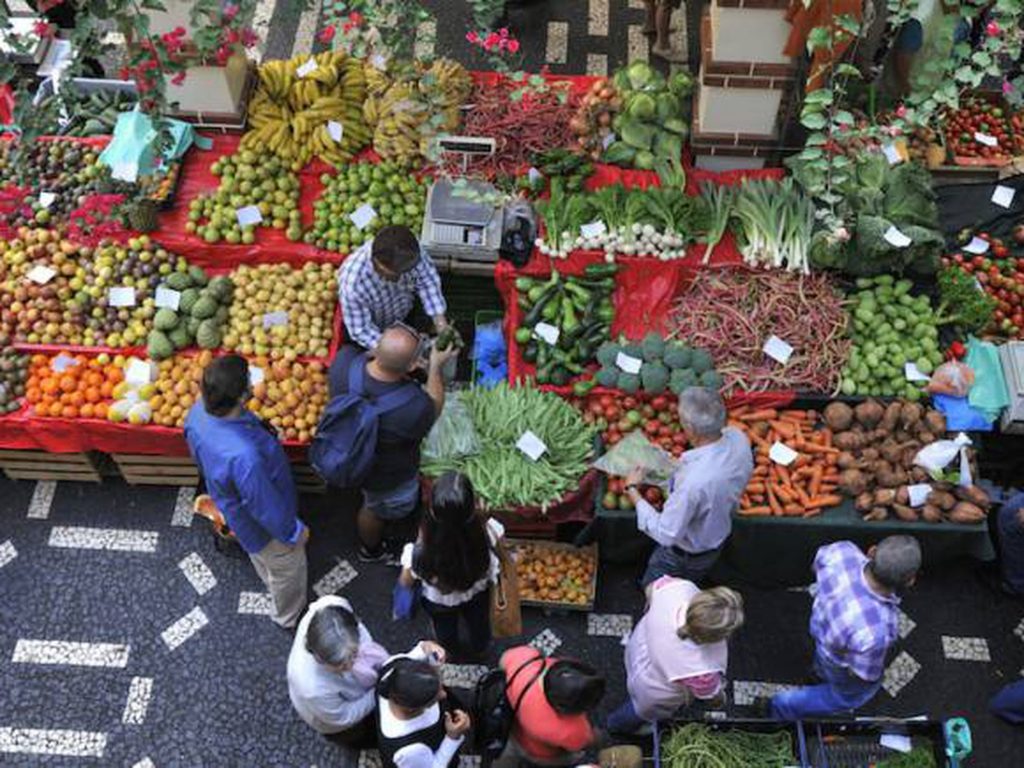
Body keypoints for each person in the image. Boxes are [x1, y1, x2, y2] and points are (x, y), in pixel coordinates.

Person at [185, 355, 308, 629]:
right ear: (241, 396)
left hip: (237, 514)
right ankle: (288, 616)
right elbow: (264, 506)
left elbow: (199, 456)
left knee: (261, 557)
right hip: (265, 524)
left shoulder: (197, 413)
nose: (254, 384)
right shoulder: (245, 457)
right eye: (249, 381)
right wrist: (294, 534)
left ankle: (269, 581)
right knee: (286, 569)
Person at [327, 326, 456, 561]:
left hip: (346, 451)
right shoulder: (412, 406)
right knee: (375, 509)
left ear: (376, 348)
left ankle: (370, 541)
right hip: (384, 474)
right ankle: (371, 550)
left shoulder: (344, 362)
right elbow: (434, 407)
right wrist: (435, 367)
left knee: (370, 500)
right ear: (412, 366)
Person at [769, 536, 922, 720]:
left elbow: (816, 565)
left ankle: (818, 675)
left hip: (820, 629)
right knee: (848, 695)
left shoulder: (842, 551)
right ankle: (784, 704)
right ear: (910, 581)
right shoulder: (878, 629)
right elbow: (863, 673)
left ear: (872, 551)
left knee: (822, 662)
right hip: (837, 657)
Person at [625, 387, 753, 587]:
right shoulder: (738, 438)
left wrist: (632, 489)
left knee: (659, 588)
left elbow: (666, 534)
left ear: (691, 429)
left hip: (684, 555)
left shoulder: (693, 484)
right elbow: (708, 467)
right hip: (714, 542)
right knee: (693, 580)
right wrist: (667, 461)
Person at [607, 578, 744, 734]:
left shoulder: (677, 588)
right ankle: (616, 727)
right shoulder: (702, 672)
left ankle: (614, 724)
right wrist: (719, 698)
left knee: (633, 678)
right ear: (715, 638)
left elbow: (651, 589)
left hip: (642, 649)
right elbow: (711, 695)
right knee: (640, 709)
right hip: (654, 689)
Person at [398, 471, 504, 660]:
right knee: (479, 623)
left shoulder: (419, 552)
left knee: (444, 628)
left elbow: (406, 581)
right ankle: (481, 649)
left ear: (432, 510)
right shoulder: (490, 532)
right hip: (478, 593)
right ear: (473, 506)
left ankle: (451, 651)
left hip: (439, 601)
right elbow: (501, 556)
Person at [287, 595, 389, 746]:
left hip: (351, 696)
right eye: (341, 665)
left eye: (354, 654)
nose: (350, 666)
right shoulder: (312, 687)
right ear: (319, 658)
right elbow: (345, 716)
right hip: (336, 723)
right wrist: (379, 690)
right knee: (363, 735)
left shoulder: (333, 604)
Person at [337, 225, 449, 351]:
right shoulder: (353, 284)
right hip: (375, 330)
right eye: (394, 274)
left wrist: (440, 323)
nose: (401, 276)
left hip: (402, 313)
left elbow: (426, 281)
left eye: (405, 271)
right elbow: (362, 331)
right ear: (377, 264)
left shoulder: (408, 249)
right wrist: (399, 353)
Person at [496, 646, 605, 767]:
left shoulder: (525, 659)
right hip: (537, 752)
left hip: (507, 727)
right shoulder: (572, 729)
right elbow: (583, 742)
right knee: (575, 755)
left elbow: (504, 659)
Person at [376, 640, 471, 768]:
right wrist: (452, 737)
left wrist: (427, 646)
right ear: (414, 708)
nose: (444, 694)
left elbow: (416, 653)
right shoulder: (409, 750)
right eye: (434, 699)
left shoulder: (393, 667)